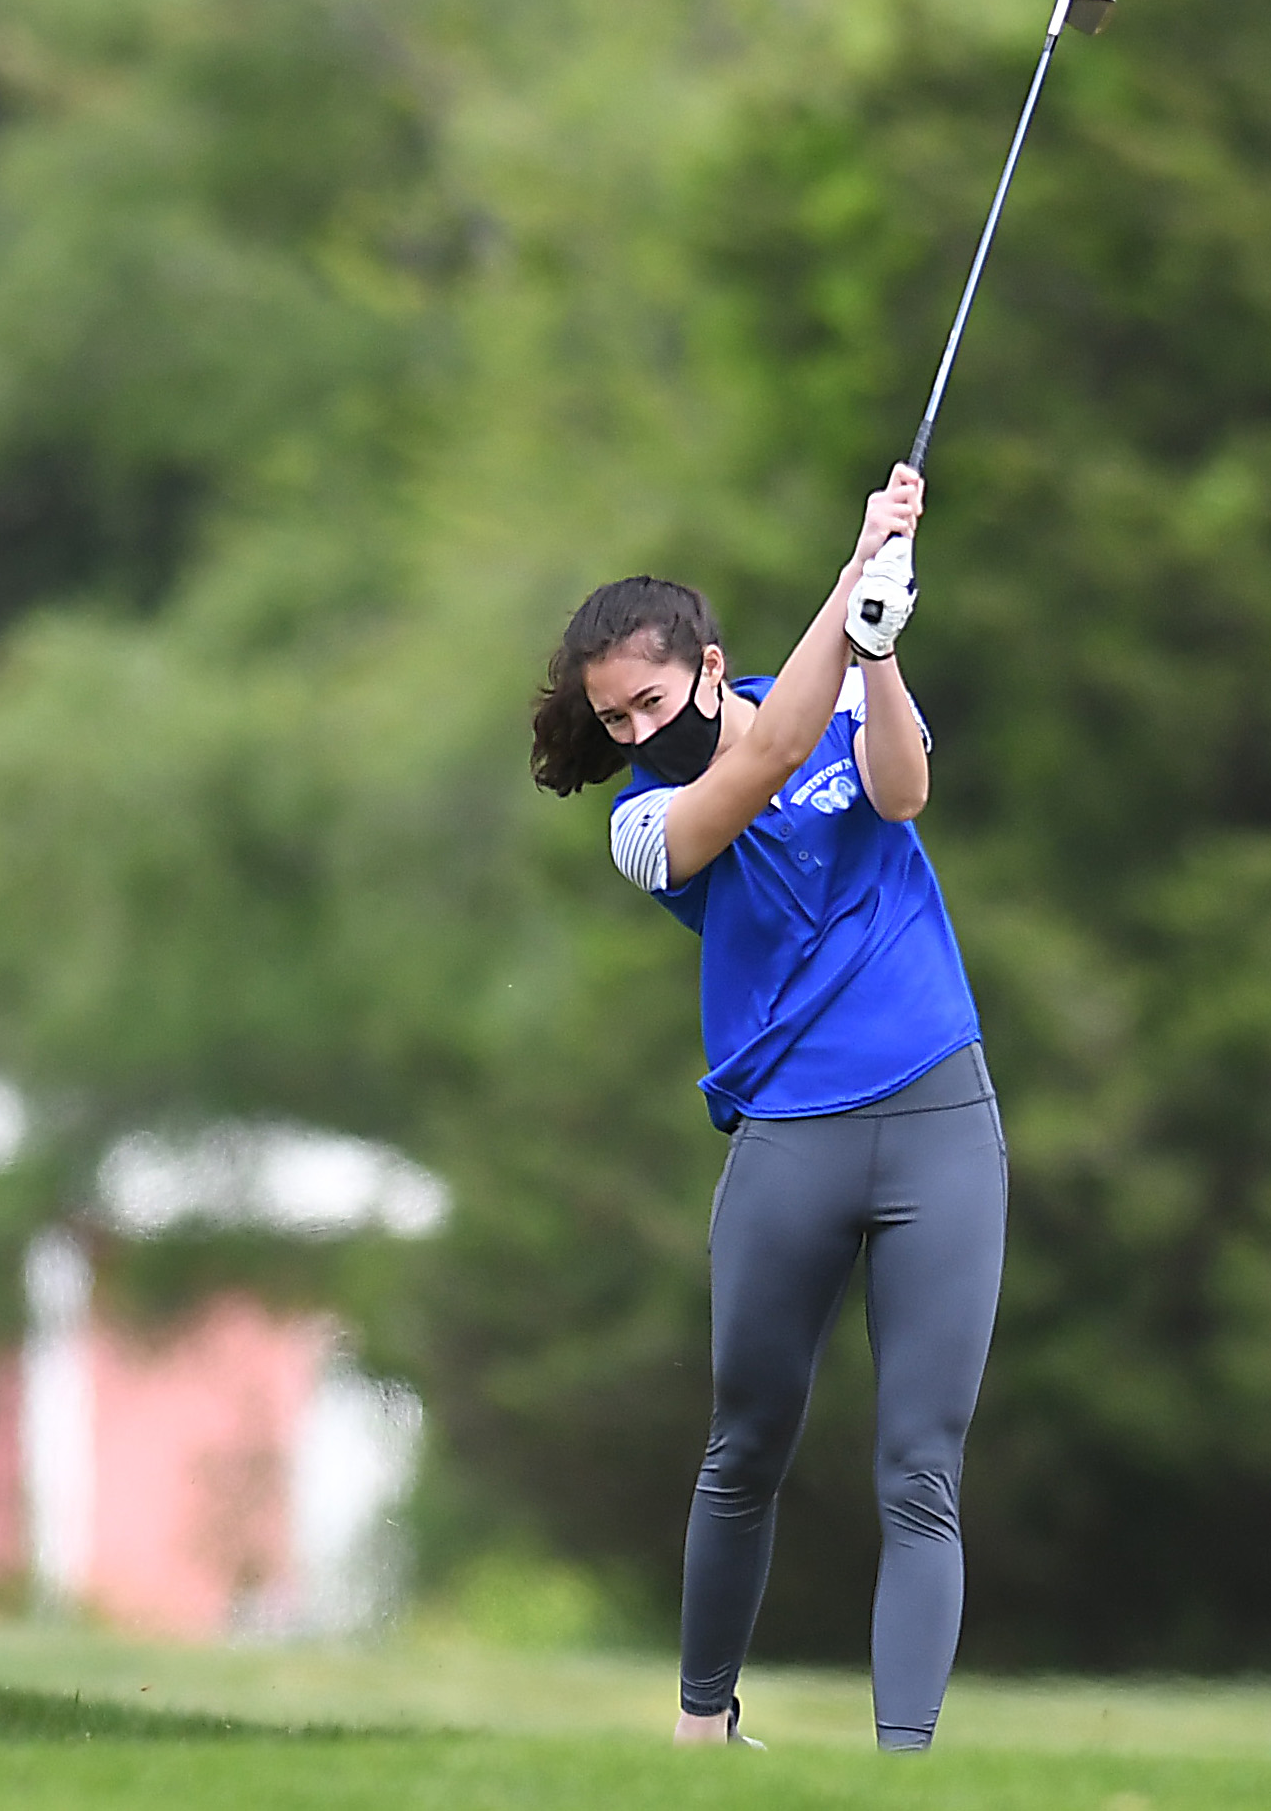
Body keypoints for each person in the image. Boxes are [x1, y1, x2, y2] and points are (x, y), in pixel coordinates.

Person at [526, 466, 1003, 1752]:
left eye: (649, 701)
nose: (632, 734)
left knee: (922, 1471)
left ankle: (906, 1766)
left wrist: (879, 648)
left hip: (939, 1119)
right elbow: (777, 748)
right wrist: (854, 578)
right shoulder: (646, 823)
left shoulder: (836, 685)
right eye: (612, 719)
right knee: (744, 1446)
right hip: (790, 1139)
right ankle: (702, 1729)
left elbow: (900, 792)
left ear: (708, 664)